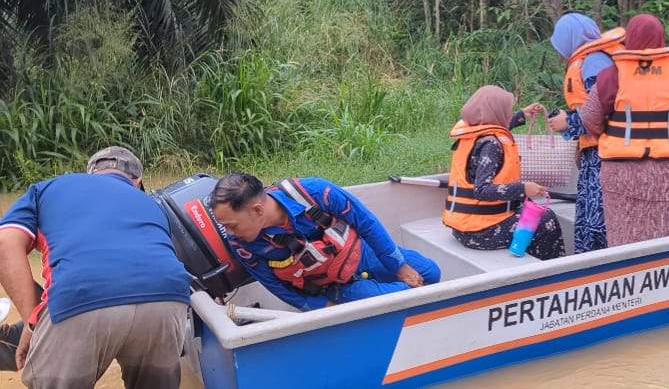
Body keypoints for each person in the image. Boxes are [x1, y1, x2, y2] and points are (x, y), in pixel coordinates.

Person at [0, 146, 192, 389]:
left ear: (90, 173)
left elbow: (5, 243)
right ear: (138, 181)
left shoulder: (48, 188)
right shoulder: (152, 204)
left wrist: (31, 323)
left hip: (80, 299)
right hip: (166, 300)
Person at [579, 13, 669, 246]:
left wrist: (608, 130)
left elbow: (589, 117)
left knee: (626, 247)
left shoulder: (611, 75)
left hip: (622, 179)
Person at [210, 173, 440, 310]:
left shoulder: (316, 192)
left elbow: (367, 224)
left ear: (257, 210)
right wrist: (319, 307)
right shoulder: (243, 245)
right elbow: (274, 284)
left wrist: (399, 267)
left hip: (362, 254)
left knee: (431, 273)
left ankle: (402, 286)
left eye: (232, 225)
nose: (229, 233)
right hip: (335, 288)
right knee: (401, 294)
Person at [444, 85, 566, 260]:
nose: (509, 113)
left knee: (531, 211)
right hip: (479, 232)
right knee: (546, 220)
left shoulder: (470, 131)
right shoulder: (492, 145)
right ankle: (552, 273)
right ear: (496, 112)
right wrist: (523, 188)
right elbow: (482, 191)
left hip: (462, 226)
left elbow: (494, 124)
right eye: (507, 110)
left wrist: (521, 115)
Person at [546, 13, 624, 253]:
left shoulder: (594, 62)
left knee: (596, 226)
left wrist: (568, 122)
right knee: (588, 221)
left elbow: (607, 111)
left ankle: (597, 275)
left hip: (605, 156)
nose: (560, 53)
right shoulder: (594, 59)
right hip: (597, 153)